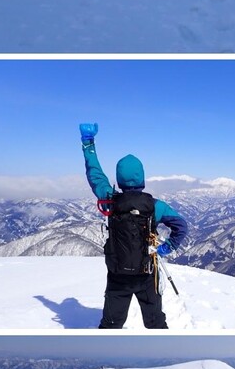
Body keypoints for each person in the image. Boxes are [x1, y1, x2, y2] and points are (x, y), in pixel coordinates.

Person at [80, 123, 187, 329]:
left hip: (118, 274)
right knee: (156, 323)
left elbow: (95, 174)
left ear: (119, 180)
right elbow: (181, 226)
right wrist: (165, 248)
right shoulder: (155, 206)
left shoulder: (110, 201)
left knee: (111, 325)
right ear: (142, 178)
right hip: (147, 273)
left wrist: (88, 142)